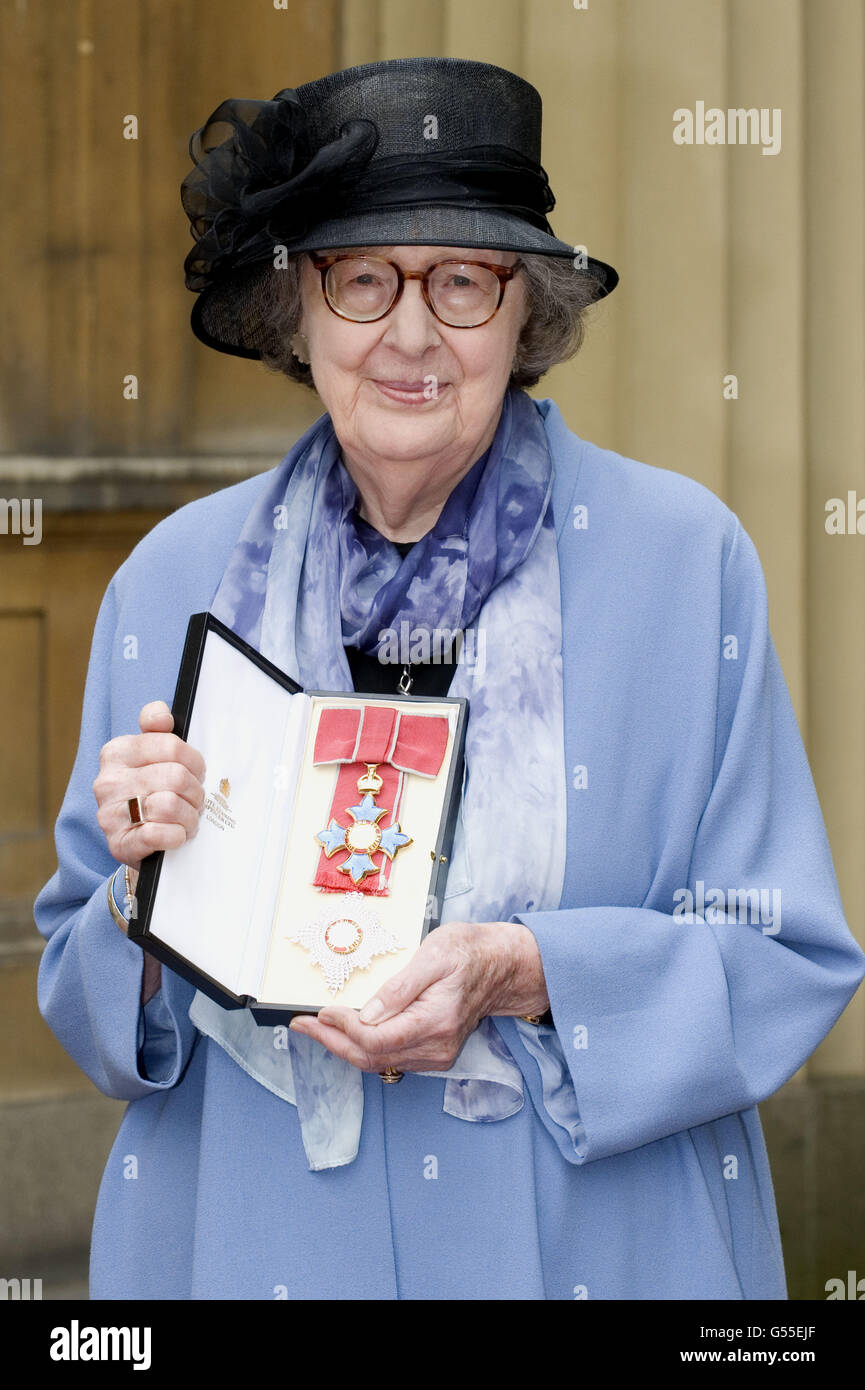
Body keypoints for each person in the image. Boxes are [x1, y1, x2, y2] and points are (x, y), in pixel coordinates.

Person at [35, 56, 864, 1300]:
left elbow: (785, 959)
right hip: (259, 1253)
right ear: (296, 311)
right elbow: (81, 986)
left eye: (462, 281)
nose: (410, 333)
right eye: (362, 279)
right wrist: (146, 907)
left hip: (595, 1254)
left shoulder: (686, 566)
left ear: (525, 315)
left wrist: (531, 973)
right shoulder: (172, 582)